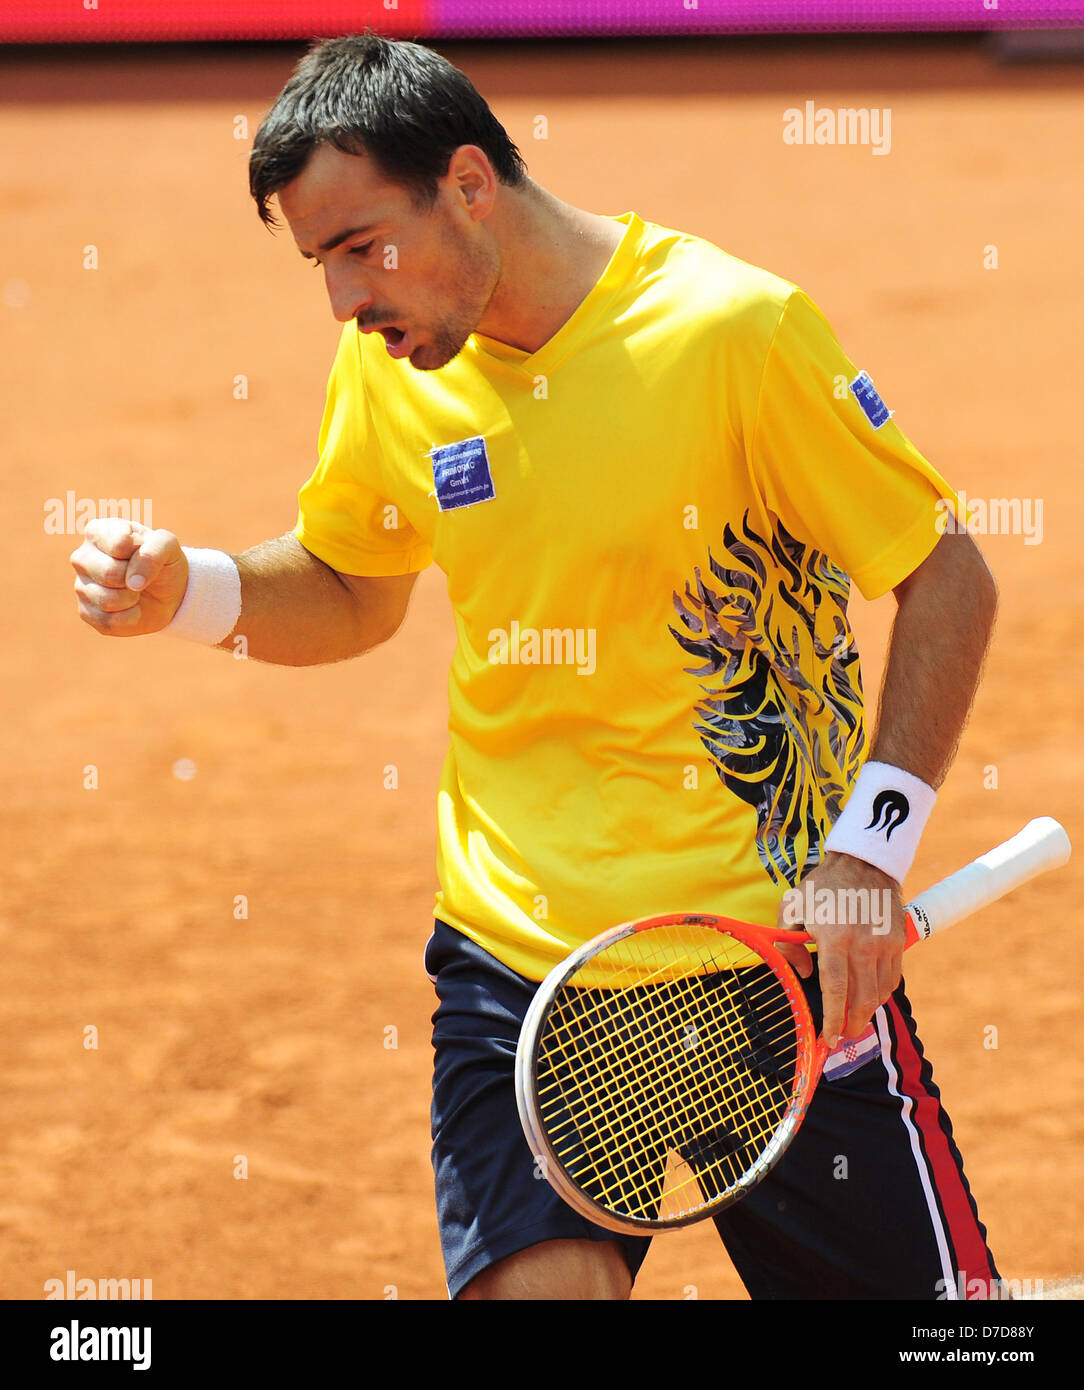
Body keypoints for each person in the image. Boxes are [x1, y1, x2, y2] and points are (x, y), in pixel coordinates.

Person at [71, 33, 1003, 1301]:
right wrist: (195, 594)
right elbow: (352, 587)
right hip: (525, 973)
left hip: (773, 960)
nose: (344, 302)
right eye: (318, 264)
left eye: (360, 247)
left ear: (465, 183)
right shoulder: (396, 364)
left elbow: (944, 570)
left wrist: (870, 848)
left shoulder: (732, 331)